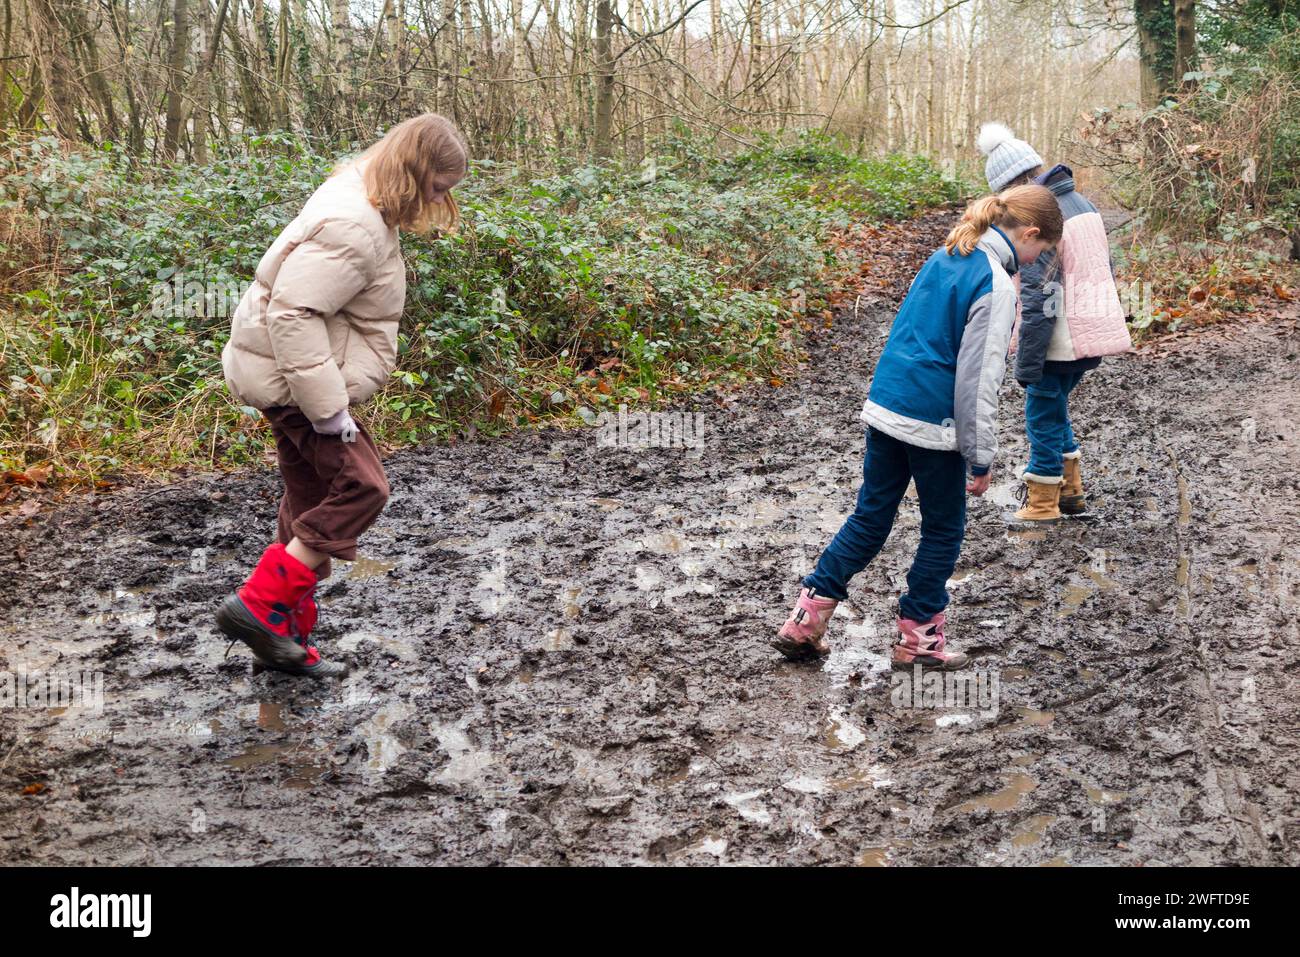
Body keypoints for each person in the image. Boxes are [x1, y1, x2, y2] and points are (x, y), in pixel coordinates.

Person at [216, 113, 468, 678]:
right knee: (363, 487)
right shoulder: (355, 223)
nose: (440, 199)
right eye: (438, 186)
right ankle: (259, 606)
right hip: (299, 388)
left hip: (290, 381)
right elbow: (294, 312)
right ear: (415, 170)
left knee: (309, 499)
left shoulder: (363, 197)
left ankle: (280, 637)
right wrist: (329, 411)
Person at [774, 185, 1063, 669]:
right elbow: (979, 381)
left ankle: (804, 621)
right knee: (944, 531)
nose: (1035, 261)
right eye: (1041, 251)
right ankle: (919, 642)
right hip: (934, 423)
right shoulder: (993, 282)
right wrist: (980, 455)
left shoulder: (947, 253)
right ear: (1029, 233)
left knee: (870, 517)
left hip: (887, 406)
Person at [977, 121, 1132, 520]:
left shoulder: (1041, 220)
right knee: (1055, 408)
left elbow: (1037, 293)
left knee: (1041, 417)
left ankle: (1043, 504)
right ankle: (1071, 492)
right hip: (1088, 335)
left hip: (1058, 339)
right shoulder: (1083, 203)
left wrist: (1025, 363)